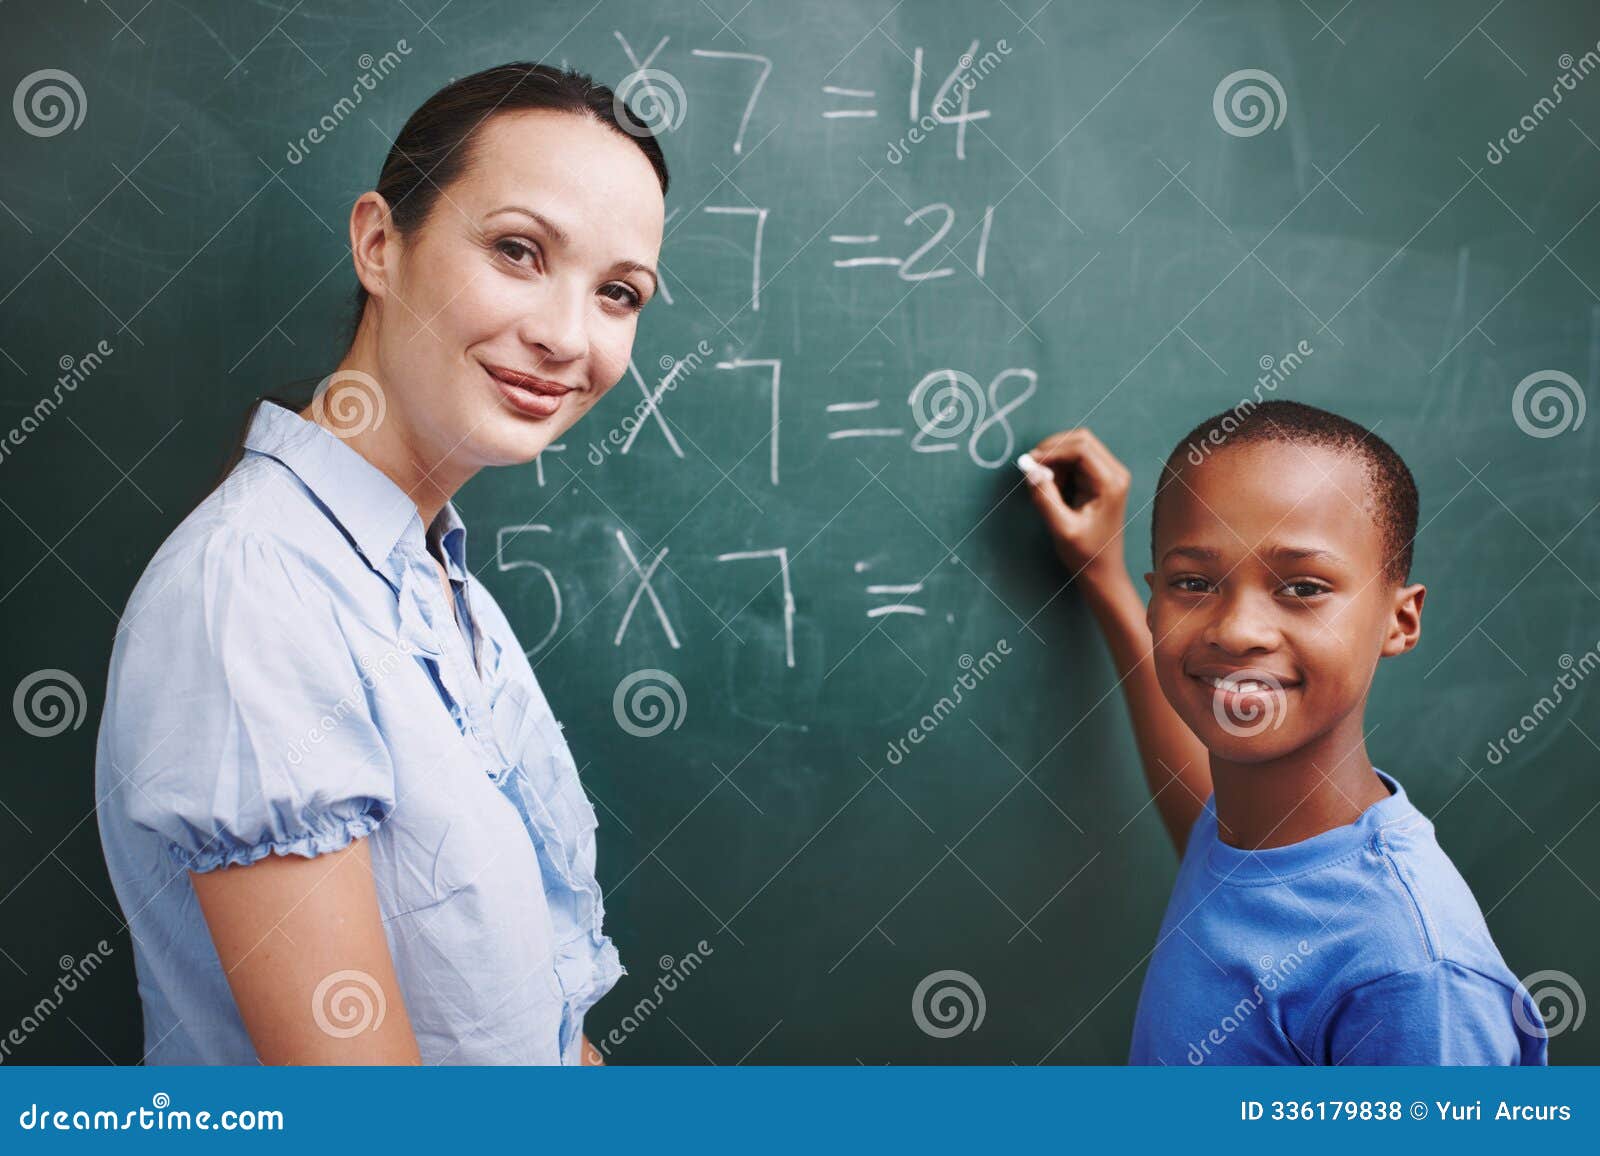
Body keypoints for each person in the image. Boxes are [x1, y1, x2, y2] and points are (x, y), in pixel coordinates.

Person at [94, 62, 668, 1065]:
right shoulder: (254, 592)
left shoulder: (446, 592)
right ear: (378, 244)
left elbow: (541, 1034)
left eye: (619, 293)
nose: (565, 336)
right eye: (517, 250)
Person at [1019, 401, 1547, 1064]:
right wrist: (1103, 574)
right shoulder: (1251, 837)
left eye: (1302, 586)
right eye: (1193, 582)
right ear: (1158, 604)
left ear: (1400, 620)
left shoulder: (1413, 973)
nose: (1238, 630)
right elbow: (1205, 817)